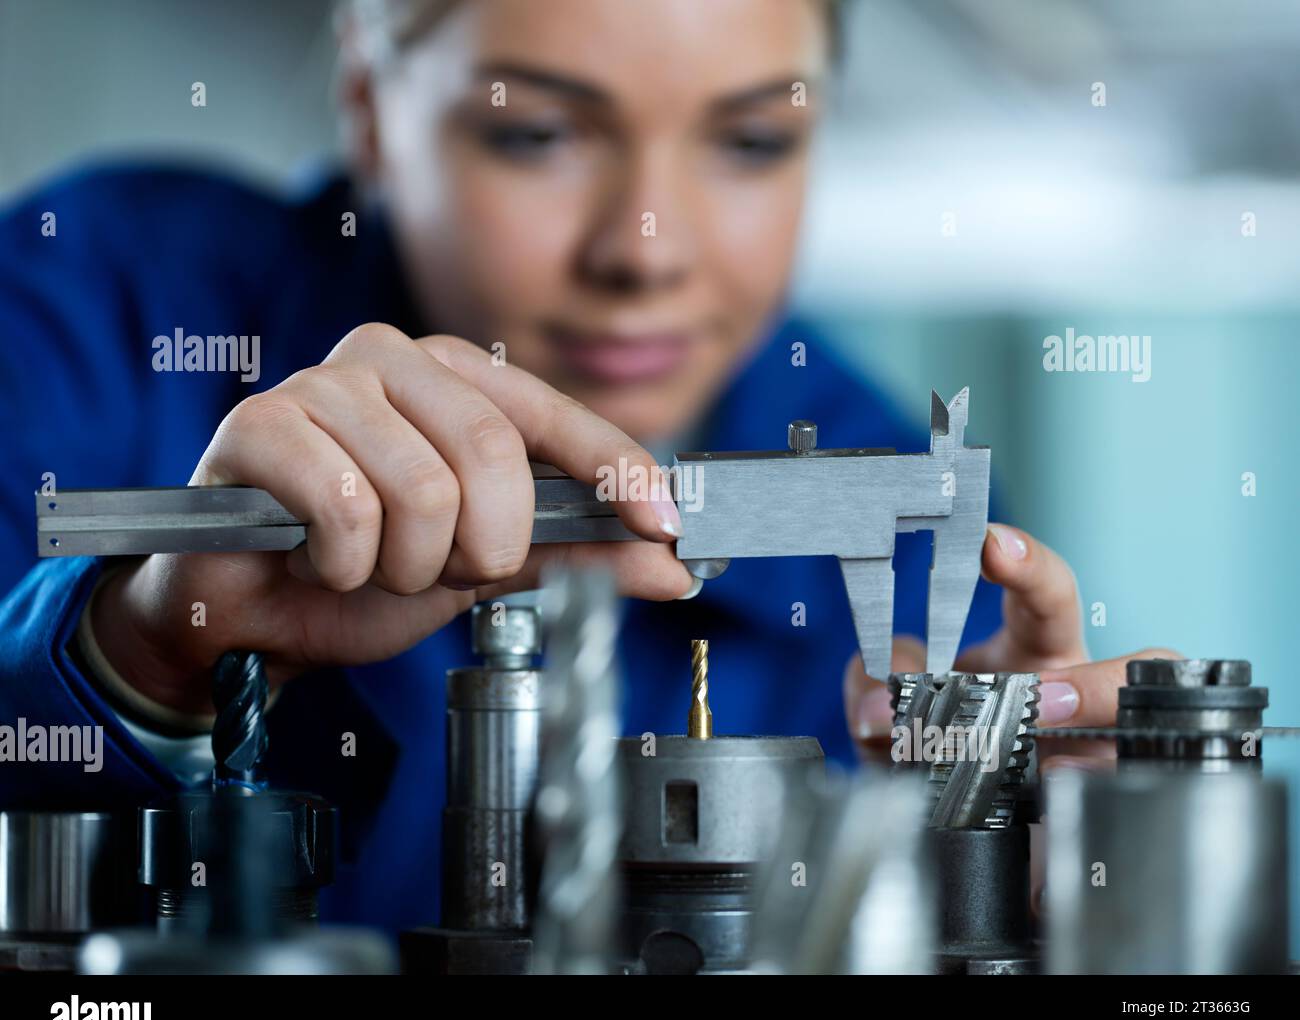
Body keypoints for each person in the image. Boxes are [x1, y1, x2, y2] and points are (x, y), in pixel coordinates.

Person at [0, 0, 1176, 930]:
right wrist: (141, 655)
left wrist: (1016, 900)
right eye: (539, 134)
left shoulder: (903, 503)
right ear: (366, 102)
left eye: (752, 140)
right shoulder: (82, 323)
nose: (642, 251)